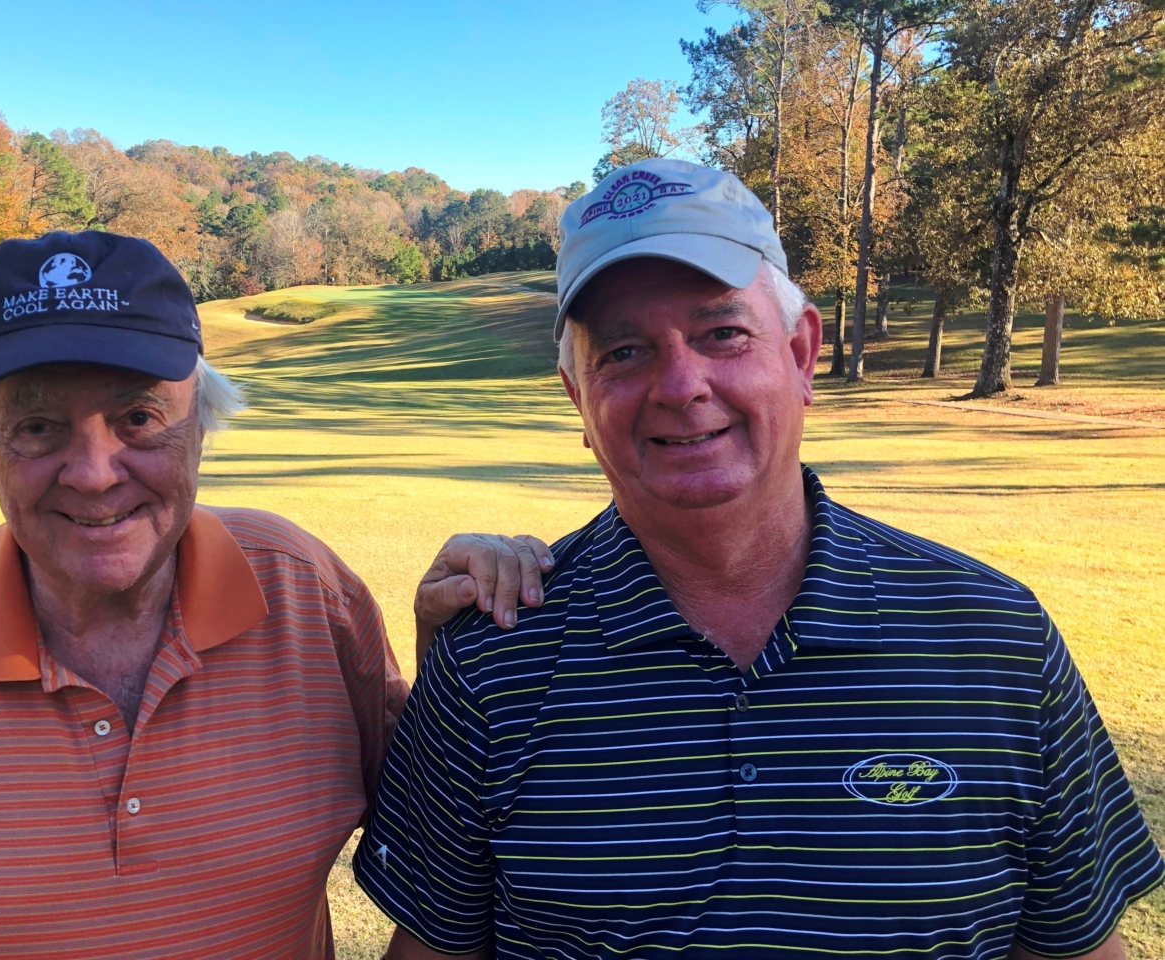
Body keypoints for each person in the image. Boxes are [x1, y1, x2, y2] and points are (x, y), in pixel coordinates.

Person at [355, 158, 1164, 960]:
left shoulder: (997, 643)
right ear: (579, 397)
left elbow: (1075, 948)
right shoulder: (493, 658)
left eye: (722, 333)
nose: (681, 384)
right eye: (624, 352)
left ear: (802, 353)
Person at [0, 230, 548, 959]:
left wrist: (464, 659)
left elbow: (439, 826)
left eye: (138, 418)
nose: (95, 475)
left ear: (201, 423)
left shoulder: (300, 588)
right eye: (36, 424)